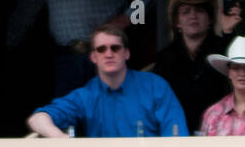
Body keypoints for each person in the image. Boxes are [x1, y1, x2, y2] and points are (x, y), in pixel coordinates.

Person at [6, 0, 161, 97]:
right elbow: (28, 5)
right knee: (67, 126)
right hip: (66, 61)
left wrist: (129, 17)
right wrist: (5, 47)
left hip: (108, 55)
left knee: (110, 123)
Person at [27, 25, 188, 137]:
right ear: (93, 57)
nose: (109, 54)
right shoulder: (85, 96)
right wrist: (61, 139)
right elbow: (38, 118)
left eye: (115, 48)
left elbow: (177, 137)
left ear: (126, 54)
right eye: (101, 49)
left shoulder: (156, 87)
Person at [154, 0, 240, 138]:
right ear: (177, 22)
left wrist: (228, 32)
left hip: (220, 134)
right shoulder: (164, 57)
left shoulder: (223, 48)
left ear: (209, 19)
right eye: (186, 12)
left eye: (199, 10)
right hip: (177, 137)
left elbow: (241, 71)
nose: (193, 16)